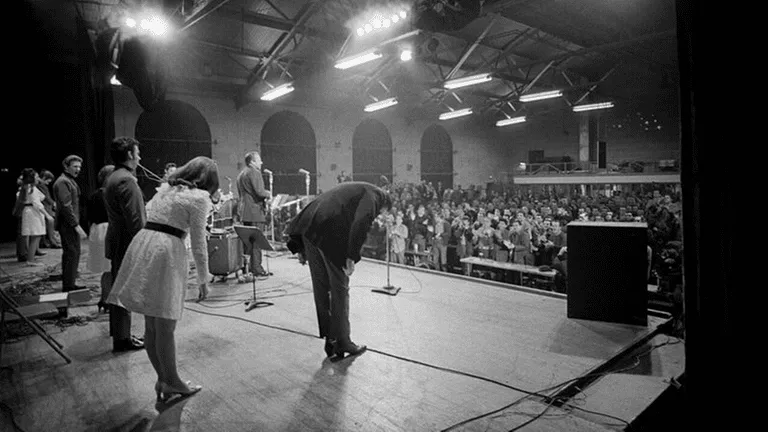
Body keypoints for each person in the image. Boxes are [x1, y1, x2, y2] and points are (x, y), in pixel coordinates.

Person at [107, 156, 216, 403]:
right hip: (166, 250)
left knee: (151, 323)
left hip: (145, 243)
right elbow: (199, 243)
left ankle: (163, 378)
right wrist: (203, 278)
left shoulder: (166, 189)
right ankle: (173, 380)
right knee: (166, 324)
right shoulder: (199, 198)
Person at [286, 181, 392, 360]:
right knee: (339, 288)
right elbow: (361, 221)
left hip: (309, 231)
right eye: (382, 213)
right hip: (329, 232)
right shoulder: (375, 196)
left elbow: (314, 207)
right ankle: (343, 342)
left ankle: (330, 340)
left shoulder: (355, 189)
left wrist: (299, 246)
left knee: (321, 288)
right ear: (385, 204)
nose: (379, 216)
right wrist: (351, 256)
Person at [104, 138, 146, 352]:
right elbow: (136, 221)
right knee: (123, 291)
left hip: (118, 239)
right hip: (126, 243)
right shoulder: (127, 180)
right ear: (129, 154)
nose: (139, 157)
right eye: (137, 153)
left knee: (118, 288)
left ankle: (121, 335)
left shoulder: (114, 176)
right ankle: (122, 339)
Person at [53, 155, 88, 291]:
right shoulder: (63, 182)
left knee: (73, 253)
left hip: (69, 223)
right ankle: (69, 285)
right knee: (71, 253)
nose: (78, 169)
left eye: (79, 167)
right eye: (75, 166)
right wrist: (76, 225)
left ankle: (70, 283)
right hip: (67, 224)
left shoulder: (69, 180)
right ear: (66, 167)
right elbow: (66, 206)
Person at [236, 151, 271, 276]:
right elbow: (260, 192)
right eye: (259, 160)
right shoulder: (254, 172)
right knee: (256, 241)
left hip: (244, 211)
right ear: (252, 162)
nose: (261, 162)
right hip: (254, 211)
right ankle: (257, 268)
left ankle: (247, 268)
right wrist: (268, 193)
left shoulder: (241, 174)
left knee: (248, 242)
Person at [86, 164, 115, 313]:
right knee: (110, 269)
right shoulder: (107, 194)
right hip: (106, 231)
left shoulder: (95, 194)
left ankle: (105, 299)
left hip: (98, 231)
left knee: (108, 270)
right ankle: (107, 300)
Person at [14, 169, 54, 266]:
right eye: (36, 177)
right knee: (35, 235)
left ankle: (30, 258)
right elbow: (37, 203)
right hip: (32, 212)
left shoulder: (26, 187)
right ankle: (30, 260)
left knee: (34, 235)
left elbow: (41, 197)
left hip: (30, 211)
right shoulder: (30, 188)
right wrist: (47, 215)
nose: (38, 179)